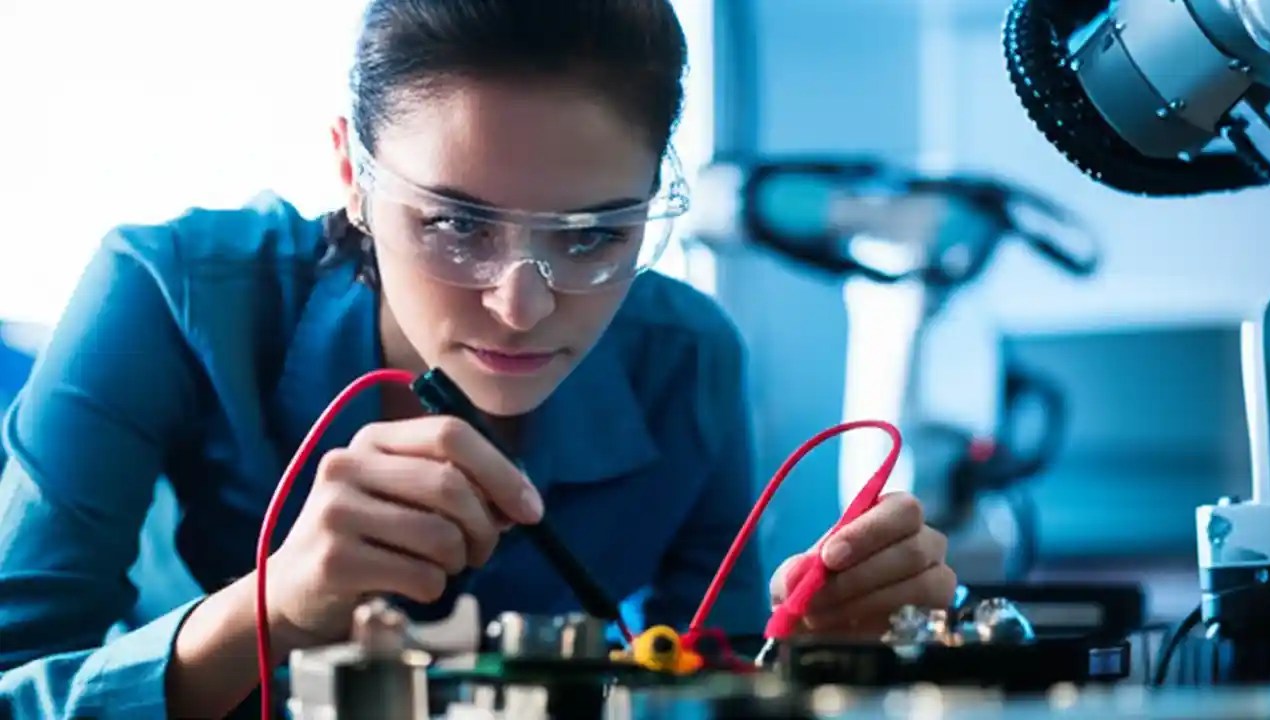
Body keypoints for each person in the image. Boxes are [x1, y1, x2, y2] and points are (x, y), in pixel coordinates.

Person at [0, 1, 956, 717]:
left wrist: (824, 659)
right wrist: (270, 608)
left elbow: (717, 670)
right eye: (455, 222)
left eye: (593, 235)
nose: (522, 304)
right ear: (351, 173)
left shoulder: (687, 362)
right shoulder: (166, 295)